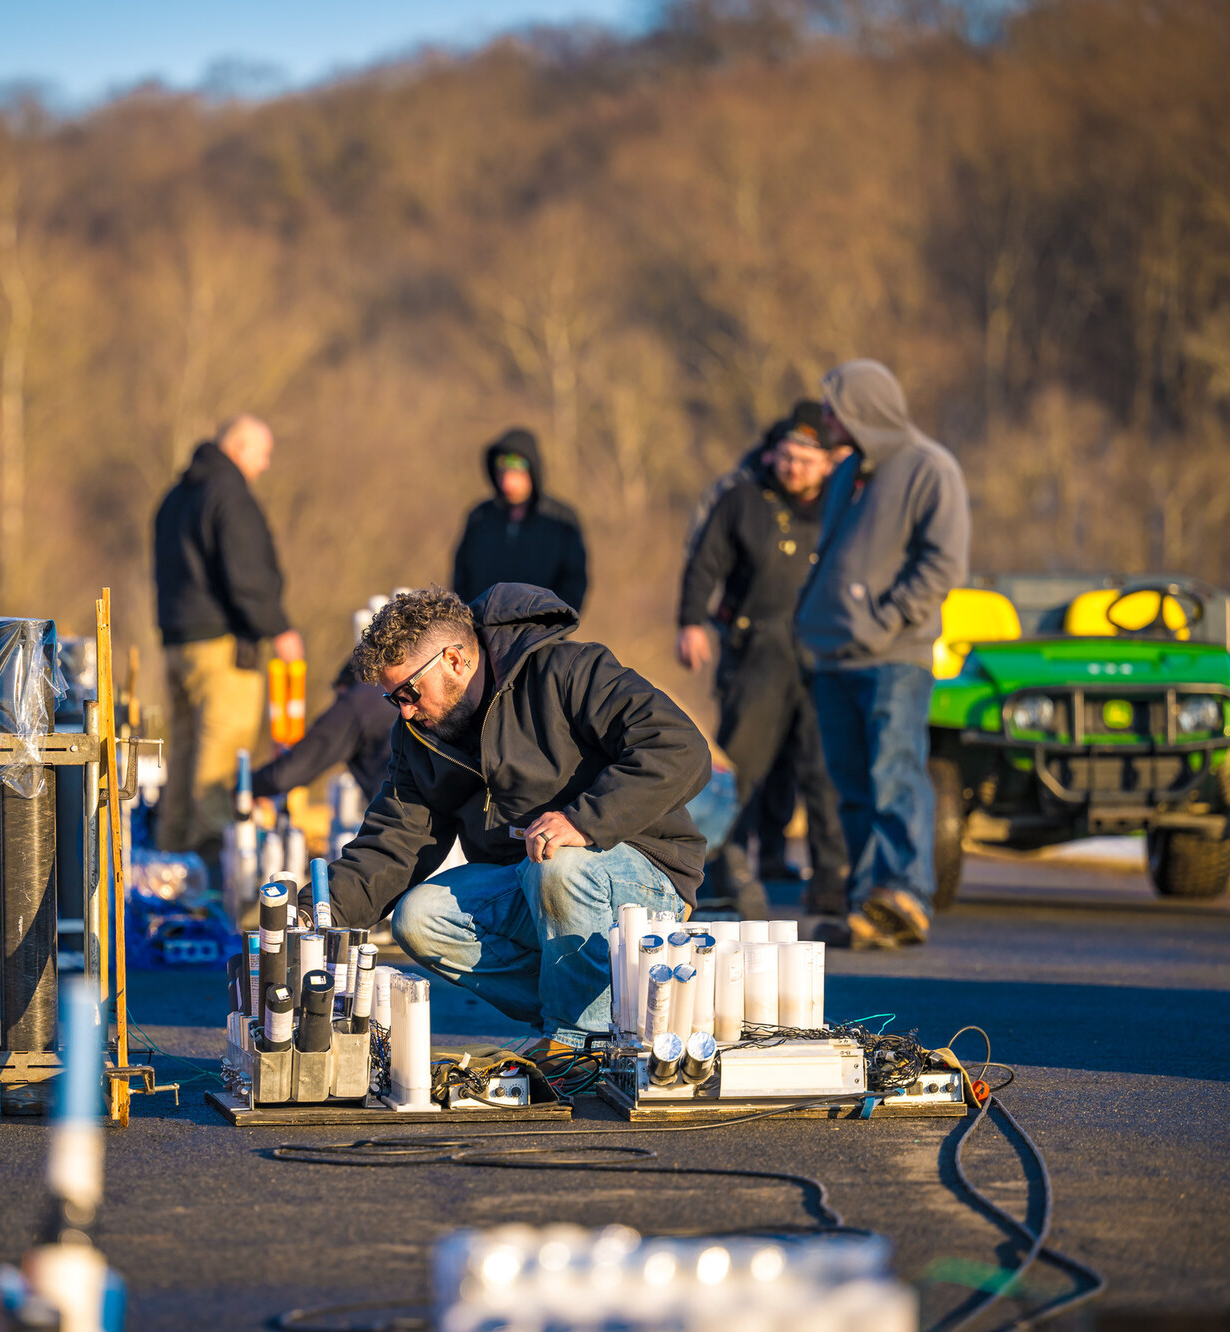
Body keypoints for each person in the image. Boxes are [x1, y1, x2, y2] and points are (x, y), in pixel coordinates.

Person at [308, 585, 709, 1035]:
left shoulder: (568, 670)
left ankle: (579, 1043)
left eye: (409, 692)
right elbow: (391, 845)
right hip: (535, 882)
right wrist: (309, 913)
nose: (404, 712)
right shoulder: (418, 738)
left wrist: (584, 820)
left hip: (644, 874)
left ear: (455, 661)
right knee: (417, 917)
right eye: (394, 699)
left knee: (560, 864)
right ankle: (585, 1019)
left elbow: (679, 747)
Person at [795, 359, 970, 948]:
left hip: (894, 655)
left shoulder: (930, 467)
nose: (825, 418)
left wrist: (885, 619)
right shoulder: (849, 473)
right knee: (851, 786)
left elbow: (944, 563)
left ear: (863, 408)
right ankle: (868, 906)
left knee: (893, 772)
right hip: (834, 657)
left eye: (833, 407)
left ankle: (907, 893)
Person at [676, 405, 851, 927]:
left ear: (827, 463)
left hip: (823, 652)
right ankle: (715, 874)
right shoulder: (743, 498)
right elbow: (704, 561)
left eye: (806, 458)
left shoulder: (843, 503)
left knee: (824, 774)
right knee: (737, 771)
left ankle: (832, 885)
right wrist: (690, 622)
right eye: (787, 455)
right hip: (756, 652)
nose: (793, 466)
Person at [151, 415, 303, 869]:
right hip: (221, 646)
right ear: (238, 447)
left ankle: (169, 867)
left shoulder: (176, 496)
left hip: (178, 644)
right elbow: (247, 575)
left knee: (183, 754)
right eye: (262, 453)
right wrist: (278, 628)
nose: (265, 464)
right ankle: (211, 877)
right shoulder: (230, 494)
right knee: (218, 761)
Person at [451, 428, 589, 612]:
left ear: (532, 470)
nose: (507, 481)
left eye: (516, 471)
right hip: (482, 634)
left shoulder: (561, 519)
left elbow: (574, 582)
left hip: (544, 637)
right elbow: (461, 577)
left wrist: (551, 622)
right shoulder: (480, 517)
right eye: (502, 471)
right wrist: (471, 618)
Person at [246, 643, 399, 804]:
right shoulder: (396, 697)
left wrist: (247, 786)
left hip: (399, 810)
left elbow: (292, 770)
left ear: (343, 688)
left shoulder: (356, 703)